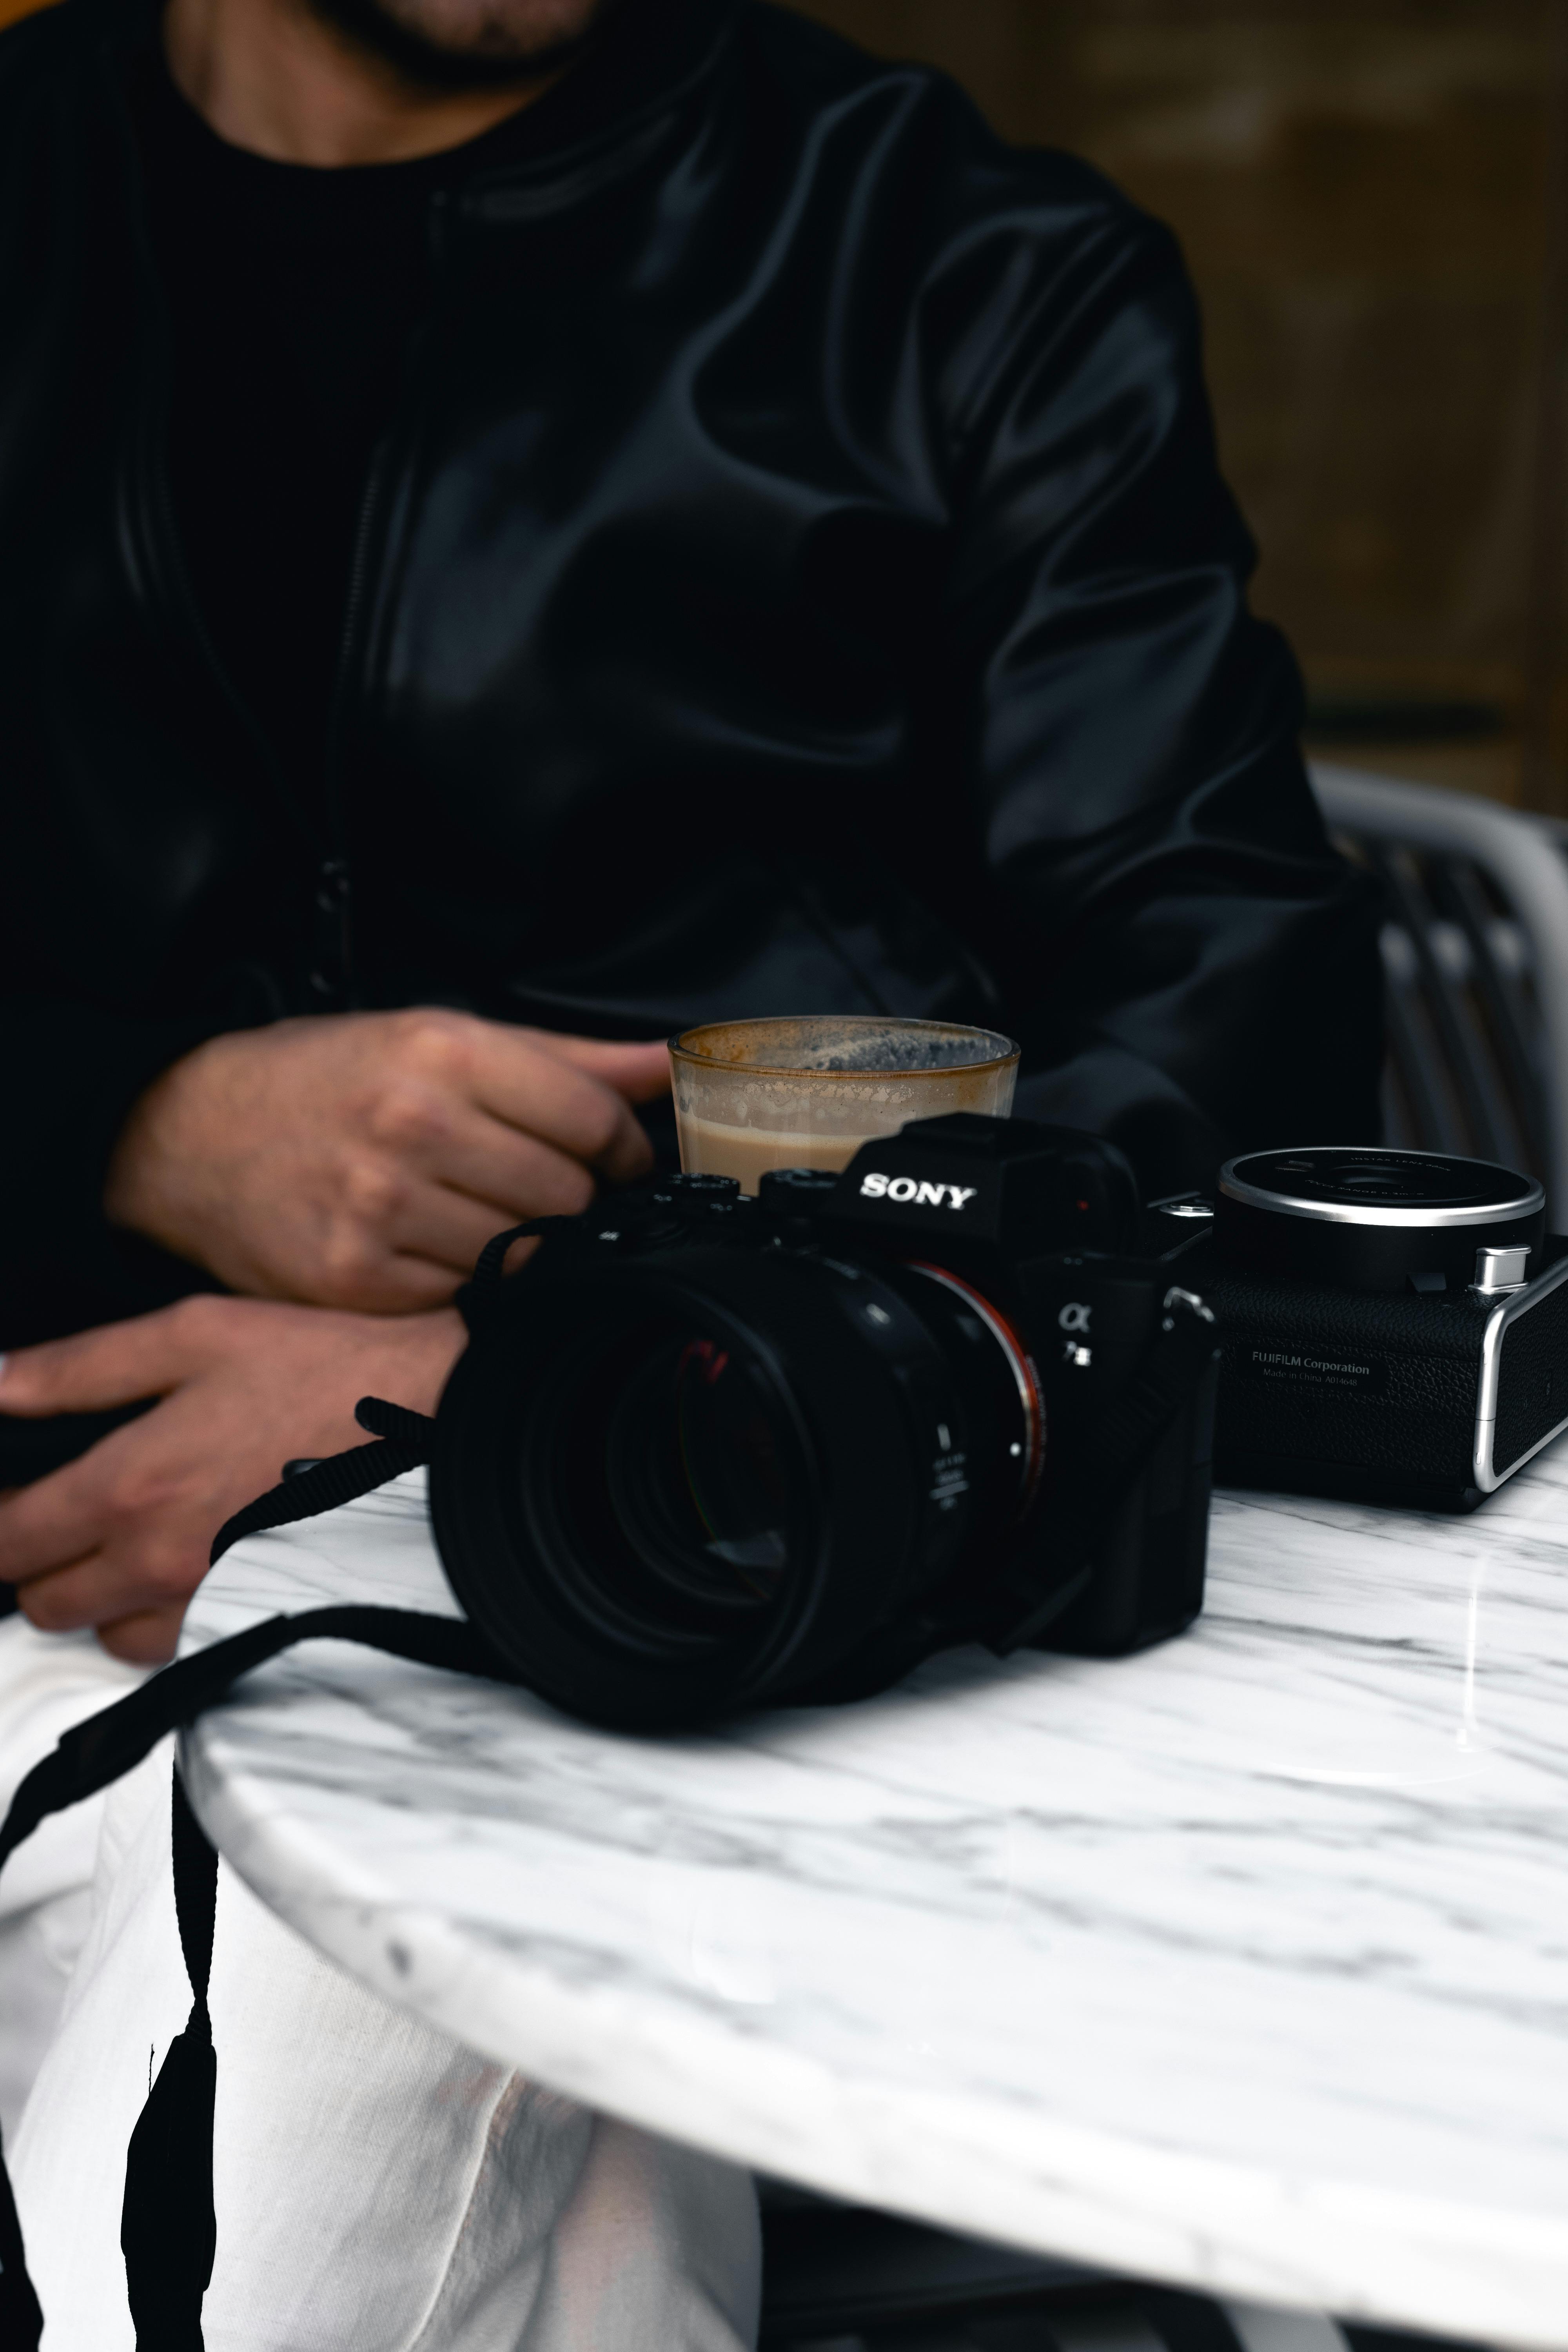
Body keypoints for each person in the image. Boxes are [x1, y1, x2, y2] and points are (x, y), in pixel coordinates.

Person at [0, 0, 1383, 2337]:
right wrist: (134, 1116)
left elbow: (1233, 1037)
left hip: (643, 1567)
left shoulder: (960, 269)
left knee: (386, 2003)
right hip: (51, 1516)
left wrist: (533, 1382)